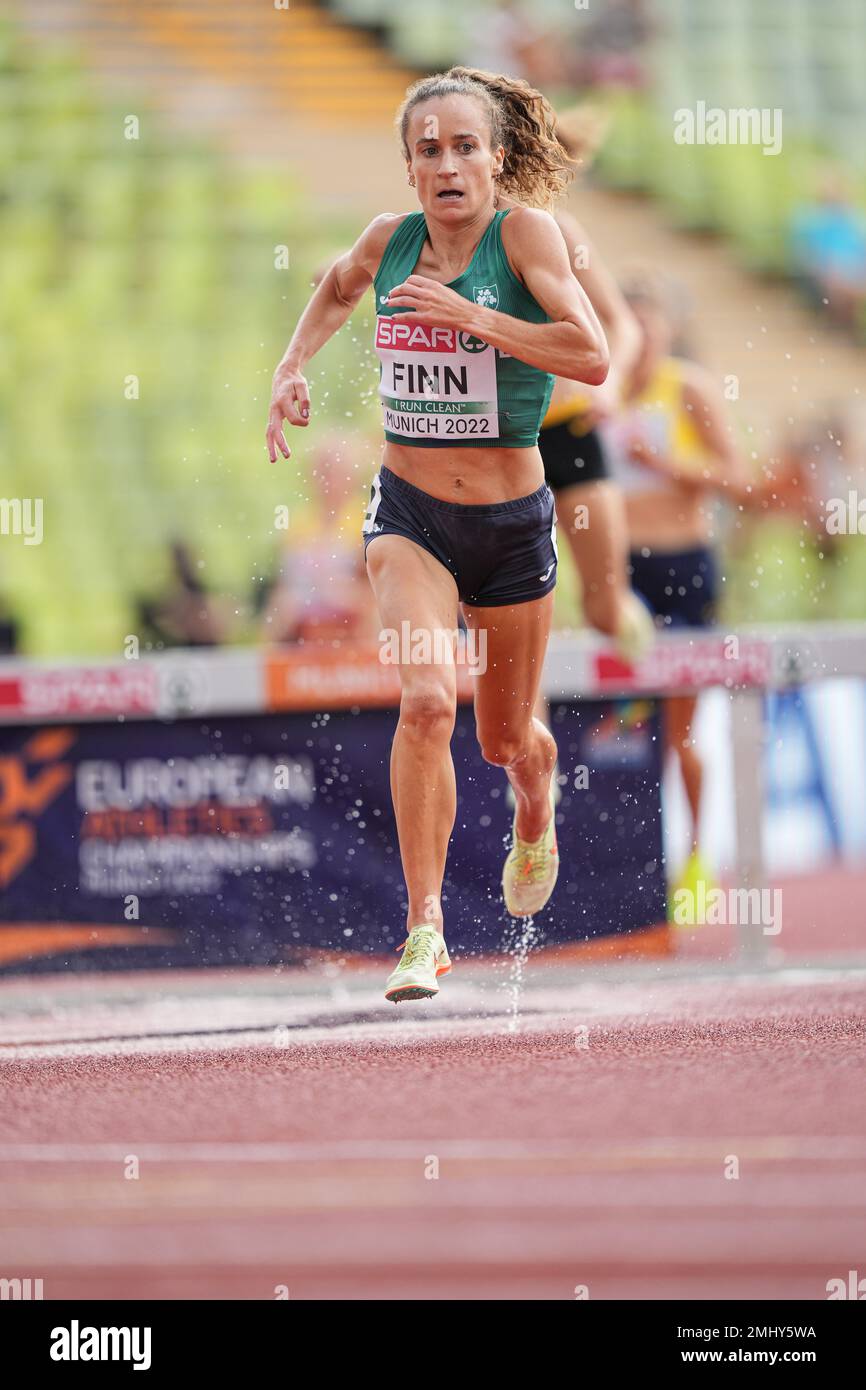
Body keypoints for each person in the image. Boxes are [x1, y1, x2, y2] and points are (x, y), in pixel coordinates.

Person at [266, 67, 608, 1002]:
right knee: (425, 703)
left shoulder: (525, 236)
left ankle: (535, 804)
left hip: (508, 526)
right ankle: (426, 929)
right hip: (411, 517)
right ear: (410, 171)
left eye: (465, 147)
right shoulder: (390, 242)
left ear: (496, 160)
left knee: (504, 742)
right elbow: (338, 288)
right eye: (429, 151)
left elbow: (593, 355)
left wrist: (477, 320)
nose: (448, 164)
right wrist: (291, 367)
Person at [597, 268, 751, 912]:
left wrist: (668, 466)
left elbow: (740, 476)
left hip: (684, 565)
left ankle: (694, 861)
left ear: (668, 330)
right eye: (624, 327)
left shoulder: (687, 389)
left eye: (648, 327)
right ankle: (630, 866)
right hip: (620, 573)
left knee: (680, 728)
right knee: (628, 730)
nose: (638, 340)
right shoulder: (595, 392)